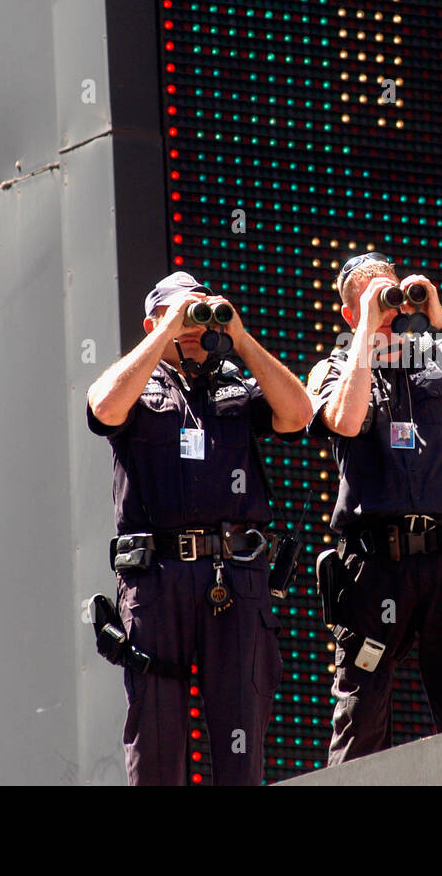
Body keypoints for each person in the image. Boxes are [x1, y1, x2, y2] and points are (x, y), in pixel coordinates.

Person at [86, 271, 311, 785]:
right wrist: (164, 334)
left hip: (235, 574)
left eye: (200, 314)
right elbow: (102, 409)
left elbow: (298, 415)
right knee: (157, 735)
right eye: (181, 316)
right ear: (152, 322)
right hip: (157, 577)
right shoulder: (139, 384)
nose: (194, 326)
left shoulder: (234, 381)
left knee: (241, 729)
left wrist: (241, 338)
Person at [307, 251, 442, 763]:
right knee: (360, 719)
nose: (392, 304)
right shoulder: (332, 367)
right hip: (375, 567)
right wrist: (366, 333)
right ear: (348, 313)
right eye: (375, 297)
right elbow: (344, 419)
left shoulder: (440, 355)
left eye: (394, 291)